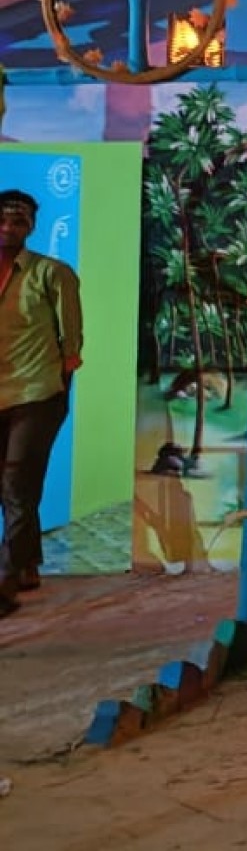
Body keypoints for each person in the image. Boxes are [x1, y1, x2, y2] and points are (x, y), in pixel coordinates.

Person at [0, 189, 83, 616]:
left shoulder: (54, 274)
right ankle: (29, 565)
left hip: (36, 393)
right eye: (3, 220)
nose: (8, 228)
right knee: (11, 488)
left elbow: (72, 347)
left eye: (17, 221)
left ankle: (6, 582)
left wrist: (57, 392)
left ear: (31, 226)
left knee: (17, 484)